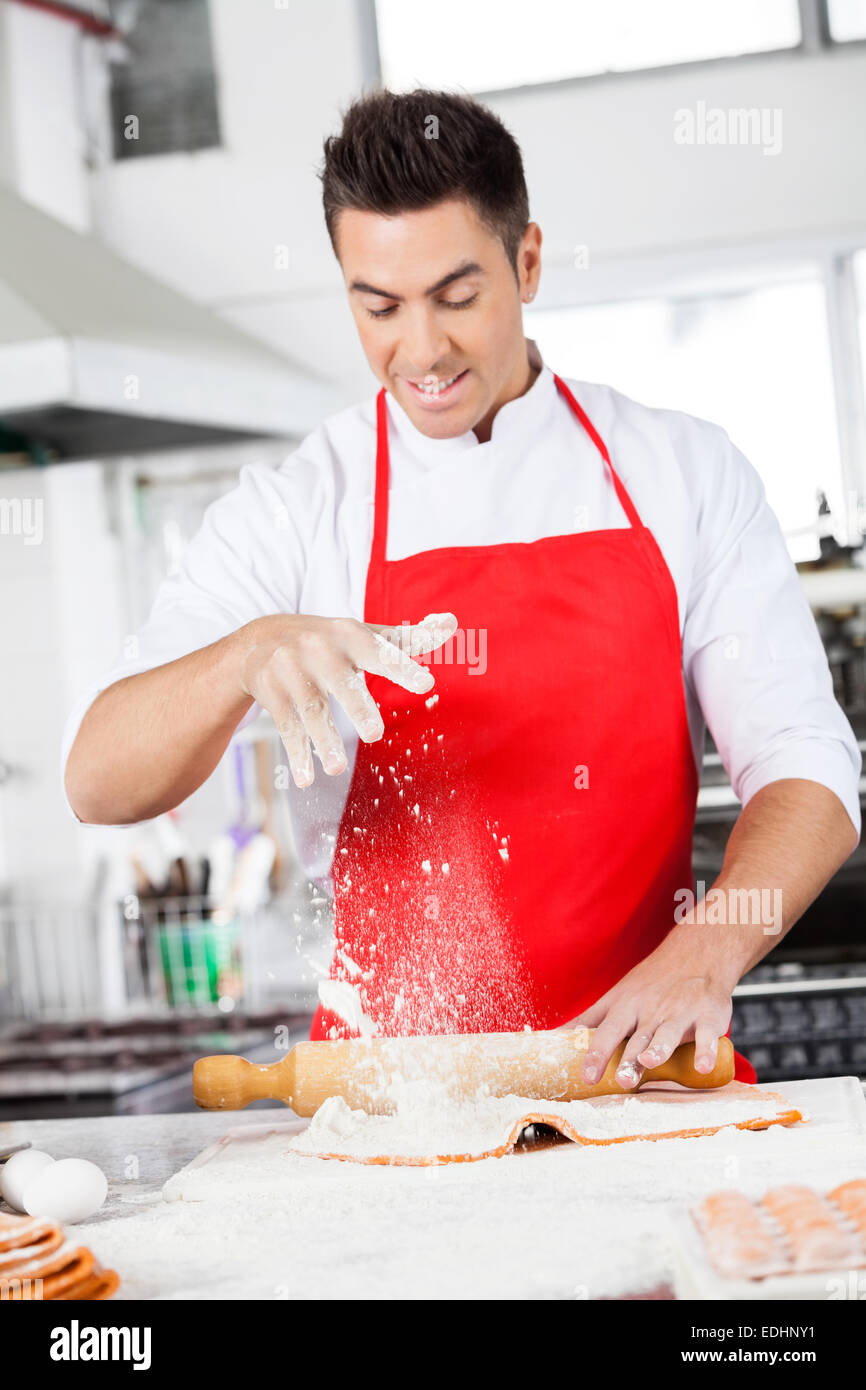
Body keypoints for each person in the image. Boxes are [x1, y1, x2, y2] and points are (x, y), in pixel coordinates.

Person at [64, 89, 860, 1089]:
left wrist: (703, 952)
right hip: (391, 1099)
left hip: (634, 1073)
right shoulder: (298, 510)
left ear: (526, 261)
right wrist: (244, 654)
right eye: (378, 306)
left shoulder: (680, 473)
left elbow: (806, 766)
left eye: (455, 294)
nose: (423, 350)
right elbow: (97, 779)